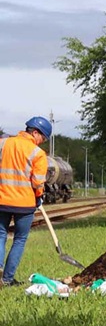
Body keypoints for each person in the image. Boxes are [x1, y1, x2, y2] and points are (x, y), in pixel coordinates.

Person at [0, 117, 51, 286]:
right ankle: (7, 279)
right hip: (25, 204)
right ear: (35, 132)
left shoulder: (3, 143)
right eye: (42, 138)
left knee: (0, 235)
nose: (41, 143)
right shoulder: (37, 154)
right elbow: (37, 182)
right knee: (19, 239)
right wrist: (39, 196)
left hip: (1, 200)